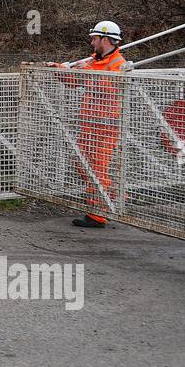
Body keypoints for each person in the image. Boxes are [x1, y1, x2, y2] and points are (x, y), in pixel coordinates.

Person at [47, 20, 127, 228]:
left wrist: (87, 73)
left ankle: (98, 213)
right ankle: (105, 199)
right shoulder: (93, 61)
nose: (91, 42)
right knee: (82, 164)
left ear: (106, 39)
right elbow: (73, 83)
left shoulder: (118, 64)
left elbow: (113, 87)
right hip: (89, 124)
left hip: (105, 126)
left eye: (94, 38)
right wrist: (59, 69)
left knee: (98, 169)